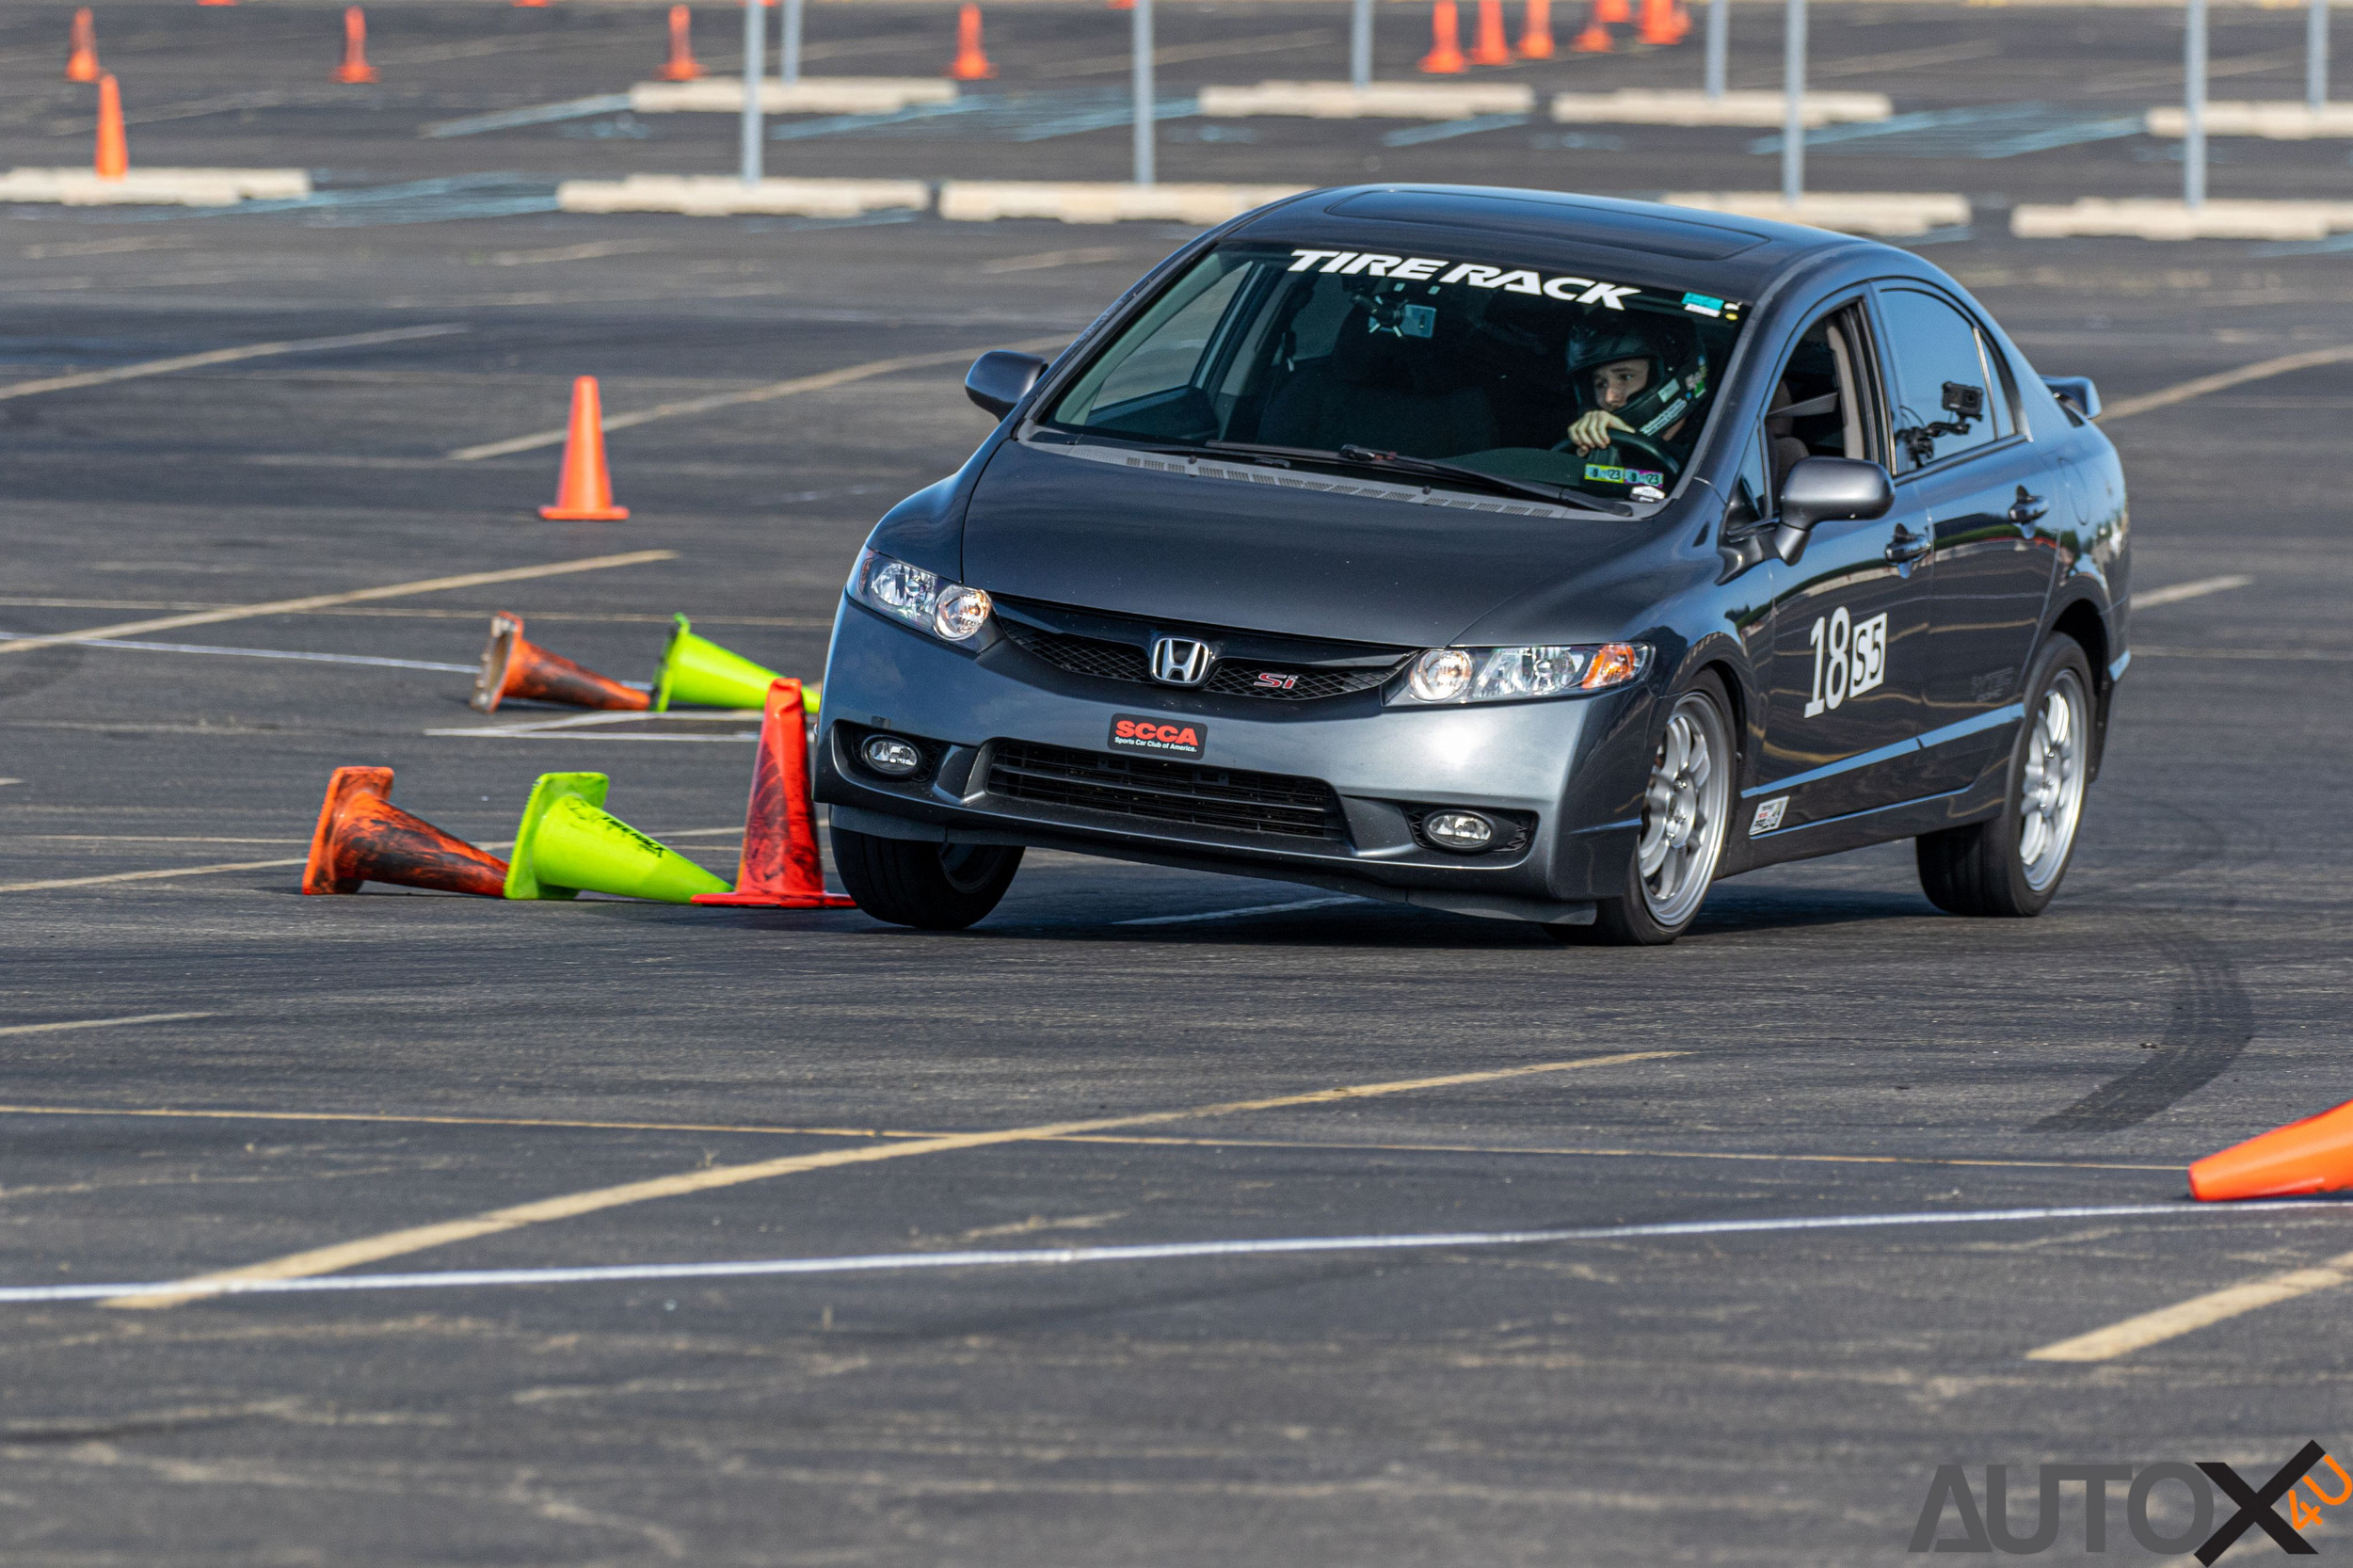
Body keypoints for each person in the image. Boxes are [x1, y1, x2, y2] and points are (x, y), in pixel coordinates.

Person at [1561, 316, 1709, 463]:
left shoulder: (1718, 441)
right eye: (1600, 384)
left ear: (1668, 377)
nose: (1608, 398)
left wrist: (1634, 444)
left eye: (1626, 377)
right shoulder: (1578, 441)